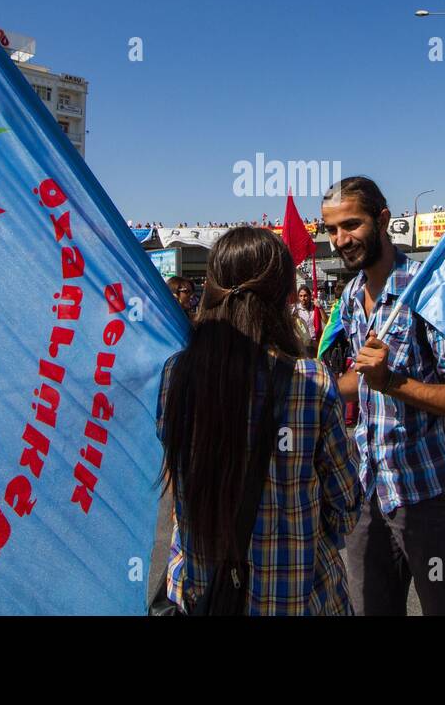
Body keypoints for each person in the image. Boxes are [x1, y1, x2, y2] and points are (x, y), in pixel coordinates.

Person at [157, 227, 360, 614]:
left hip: (206, 594)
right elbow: (346, 508)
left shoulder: (175, 377)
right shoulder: (310, 382)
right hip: (298, 599)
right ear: (281, 296)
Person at [321, 176, 445, 616]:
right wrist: (302, 385)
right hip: (369, 494)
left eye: (351, 225)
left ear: (382, 220)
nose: (341, 240)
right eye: (332, 230)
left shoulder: (428, 291)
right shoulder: (352, 295)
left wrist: (393, 383)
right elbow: (361, 380)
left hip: (432, 494)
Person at [291, 284, 323, 354]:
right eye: (301, 296)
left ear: (309, 296)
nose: (303, 298)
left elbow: (326, 321)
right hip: (302, 346)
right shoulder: (295, 310)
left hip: (316, 344)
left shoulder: (316, 308)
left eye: (305, 296)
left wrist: (320, 307)